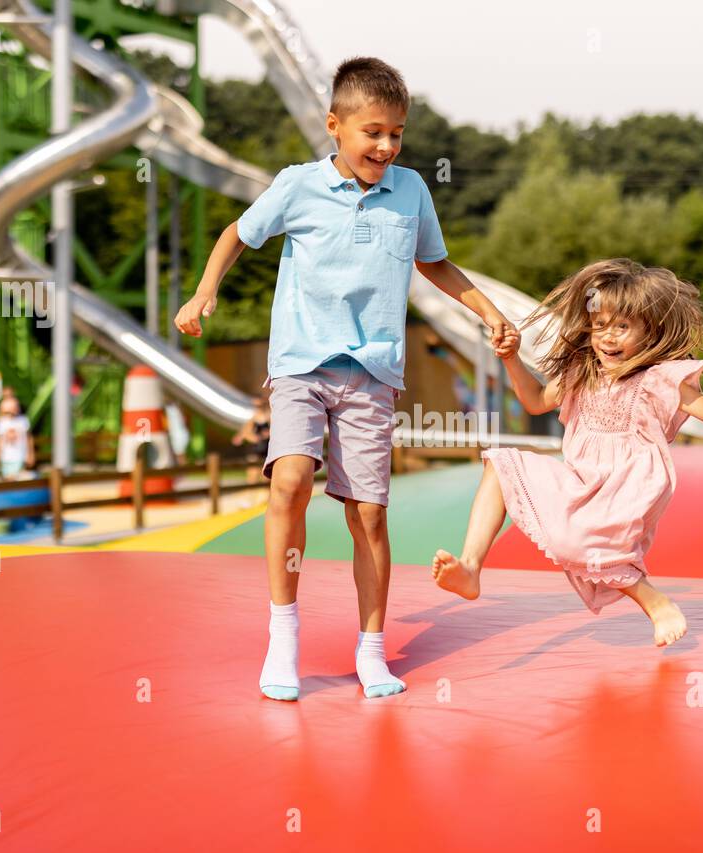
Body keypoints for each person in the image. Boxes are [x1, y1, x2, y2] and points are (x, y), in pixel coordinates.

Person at [174, 57, 518, 701]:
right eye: (372, 132)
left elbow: (436, 265)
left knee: (370, 516)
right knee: (292, 479)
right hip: (301, 363)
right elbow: (236, 234)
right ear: (335, 126)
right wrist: (203, 294)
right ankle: (283, 636)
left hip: (373, 372)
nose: (385, 146)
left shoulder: (412, 190)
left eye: (397, 133)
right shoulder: (297, 186)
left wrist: (489, 310)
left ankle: (370, 649)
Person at [430, 259, 703, 646]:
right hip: (582, 477)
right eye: (600, 325)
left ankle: (656, 602)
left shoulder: (662, 380)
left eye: (623, 326)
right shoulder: (582, 373)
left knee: (581, 544)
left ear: (650, 330)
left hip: (630, 483)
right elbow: (536, 400)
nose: (608, 336)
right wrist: (511, 359)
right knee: (501, 463)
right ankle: (470, 566)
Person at [231, 396, 272, 483]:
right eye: (255, 406)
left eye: (259, 405)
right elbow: (245, 432)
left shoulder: (269, 417)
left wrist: (268, 434)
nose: (257, 407)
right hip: (255, 449)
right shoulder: (252, 418)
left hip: (267, 450)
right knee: (252, 474)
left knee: (265, 476)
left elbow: (274, 431)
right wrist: (245, 437)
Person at [0, 394, 33, 479]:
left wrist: (30, 454)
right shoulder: (1, 422)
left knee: (17, 479)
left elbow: (29, 438)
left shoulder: (23, 421)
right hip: (6, 457)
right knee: (8, 479)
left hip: (20, 456)